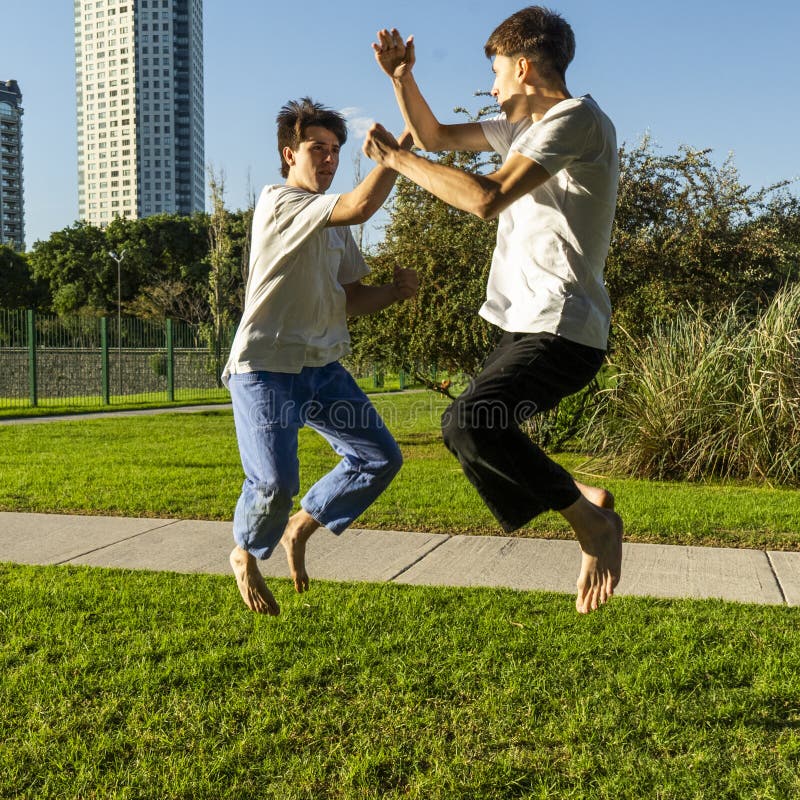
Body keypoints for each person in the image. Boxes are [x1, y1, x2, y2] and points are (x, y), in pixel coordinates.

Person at [363, 7, 622, 614]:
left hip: (565, 326)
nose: (494, 89)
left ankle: (590, 522)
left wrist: (396, 162)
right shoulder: (527, 129)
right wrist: (401, 79)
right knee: (472, 431)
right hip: (527, 324)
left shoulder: (575, 120)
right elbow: (435, 137)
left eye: (498, 75)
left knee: (469, 423)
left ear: (525, 67)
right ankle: (583, 499)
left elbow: (486, 199)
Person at [223, 97, 418, 615]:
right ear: (289, 154)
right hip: (265, 366)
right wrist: (398, 153)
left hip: (322, 368)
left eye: (335, 150)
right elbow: (359, 204)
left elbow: (352, 297)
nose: (329, 159)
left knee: (379, 457)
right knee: (274, 481)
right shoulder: (278, 202)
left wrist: (395, 294)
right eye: (317, 149)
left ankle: (299, 527)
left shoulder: (335, 226)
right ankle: (244, 552)